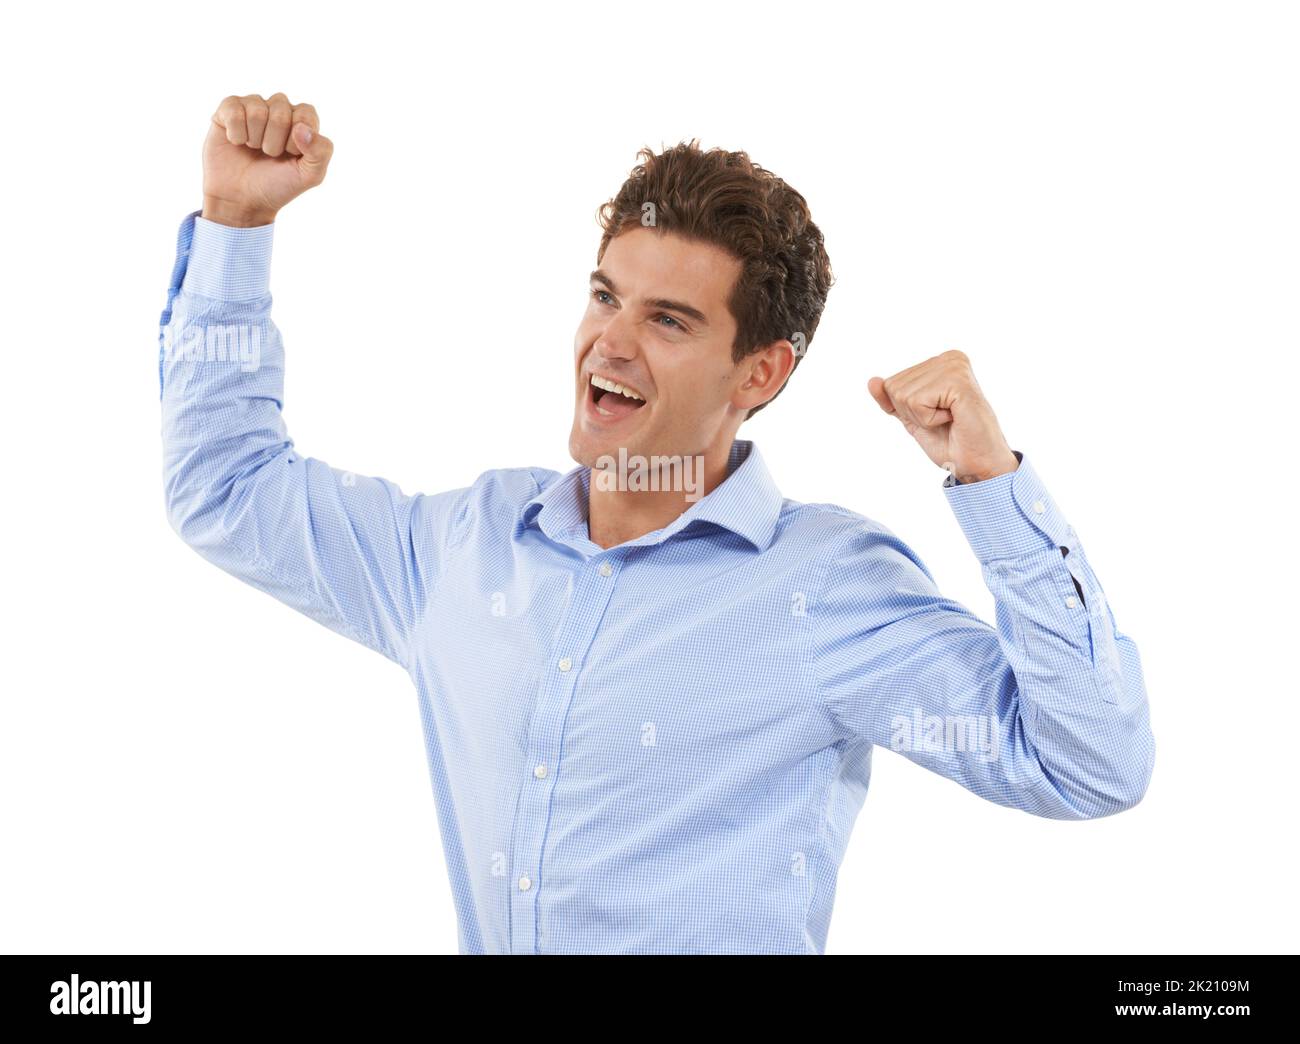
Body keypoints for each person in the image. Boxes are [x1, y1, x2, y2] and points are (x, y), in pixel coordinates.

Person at [158, 92, 1155, 955]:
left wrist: (992, 484)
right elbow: (226, 489)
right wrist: (236, 227)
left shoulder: (826, 586)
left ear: (759, 372)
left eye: (667, 320)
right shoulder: (463, 550)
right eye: (605, 296)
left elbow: (1086, 764)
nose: (610, 341)